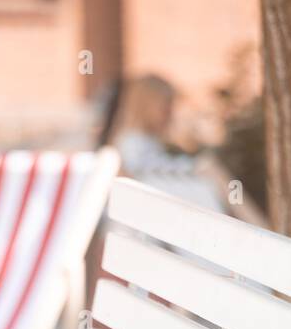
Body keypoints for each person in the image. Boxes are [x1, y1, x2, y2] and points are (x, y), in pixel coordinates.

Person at [99, 73, 267, 226]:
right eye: (165, 107)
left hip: (153, 214)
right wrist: (196, 166)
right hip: (144, 218)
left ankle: (259, 228)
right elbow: (143, 170)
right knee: (213, 173)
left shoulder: (141, 140)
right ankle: (261, 229)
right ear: (147, 107)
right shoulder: (132, 141)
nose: (170, 114)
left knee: (214, 175)